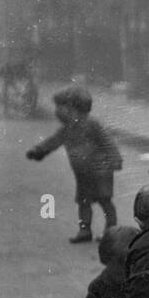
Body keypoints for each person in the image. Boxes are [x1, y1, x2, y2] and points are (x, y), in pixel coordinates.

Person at [25, 85, 123, 242]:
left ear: (73, 108)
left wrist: (115, 159)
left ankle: (111, 231)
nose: (57, 111)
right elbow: (53, 141)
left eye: (60, 107)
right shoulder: (67, 129)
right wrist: (39, 151)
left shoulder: (92, 124)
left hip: (100, 170)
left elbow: (107, 141)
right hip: (83, 173)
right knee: (83, 201)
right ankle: (85, 231)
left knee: (104, 200)